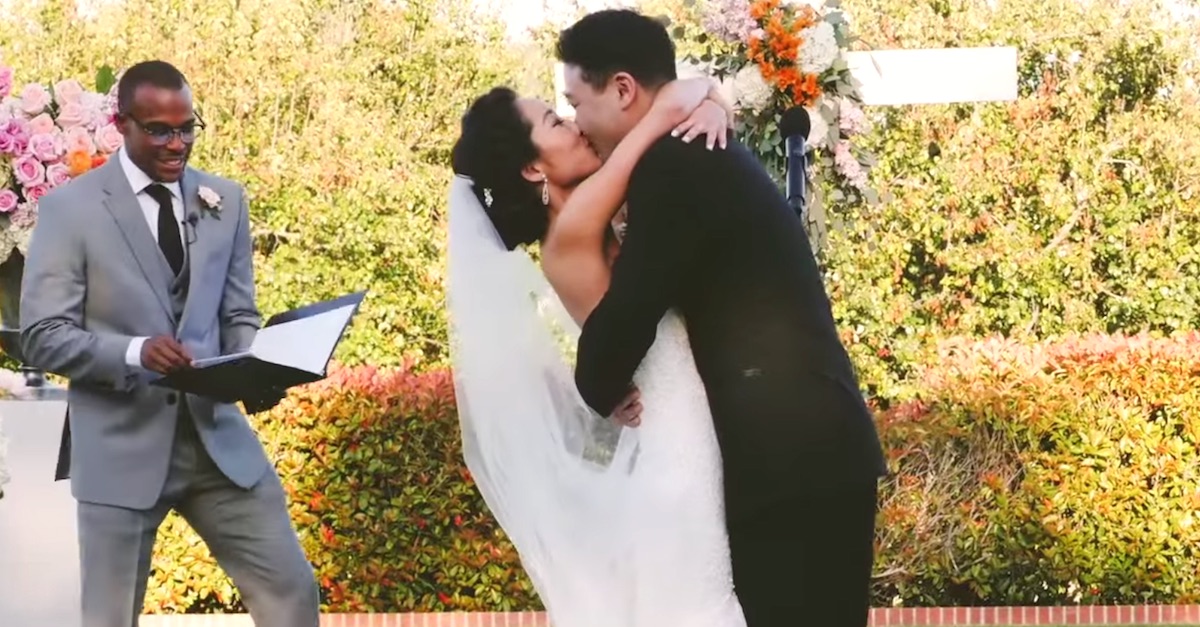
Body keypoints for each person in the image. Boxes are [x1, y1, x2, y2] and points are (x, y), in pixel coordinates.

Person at [558, 10, 889, 627]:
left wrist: (597, 385)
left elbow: (627, 316)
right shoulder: (690, 149)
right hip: (809, 461)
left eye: (578, 100)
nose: (577, 119)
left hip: (796, 471)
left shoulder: (675, 166)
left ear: (623, 89)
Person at [19, 60, 319, 627]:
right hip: (118, 449)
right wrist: (134, 351)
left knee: (294, 597)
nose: (176, 143)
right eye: (159, 129)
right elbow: (41, 337)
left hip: (220, 449)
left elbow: (238, 313)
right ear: (122, 123)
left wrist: (255, 368)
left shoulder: (224, 200)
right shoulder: (70, 210)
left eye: (187, 128)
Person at [448, 75, 744, 625]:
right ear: (534, 169)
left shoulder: (591, 211)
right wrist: (705, 99)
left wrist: (714, 111)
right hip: (680, 425)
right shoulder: (572, 229)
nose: (574, 123)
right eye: (555, 122)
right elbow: (661, 114)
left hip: (687, 410)